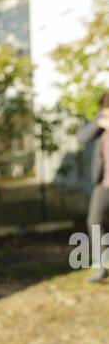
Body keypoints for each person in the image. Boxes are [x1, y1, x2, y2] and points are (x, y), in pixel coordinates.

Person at [75, 93, 109, 282]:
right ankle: (101, 267)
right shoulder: (102, 125)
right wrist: (98, 123)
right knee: (95, 221)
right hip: (104, 185)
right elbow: (81, 137)